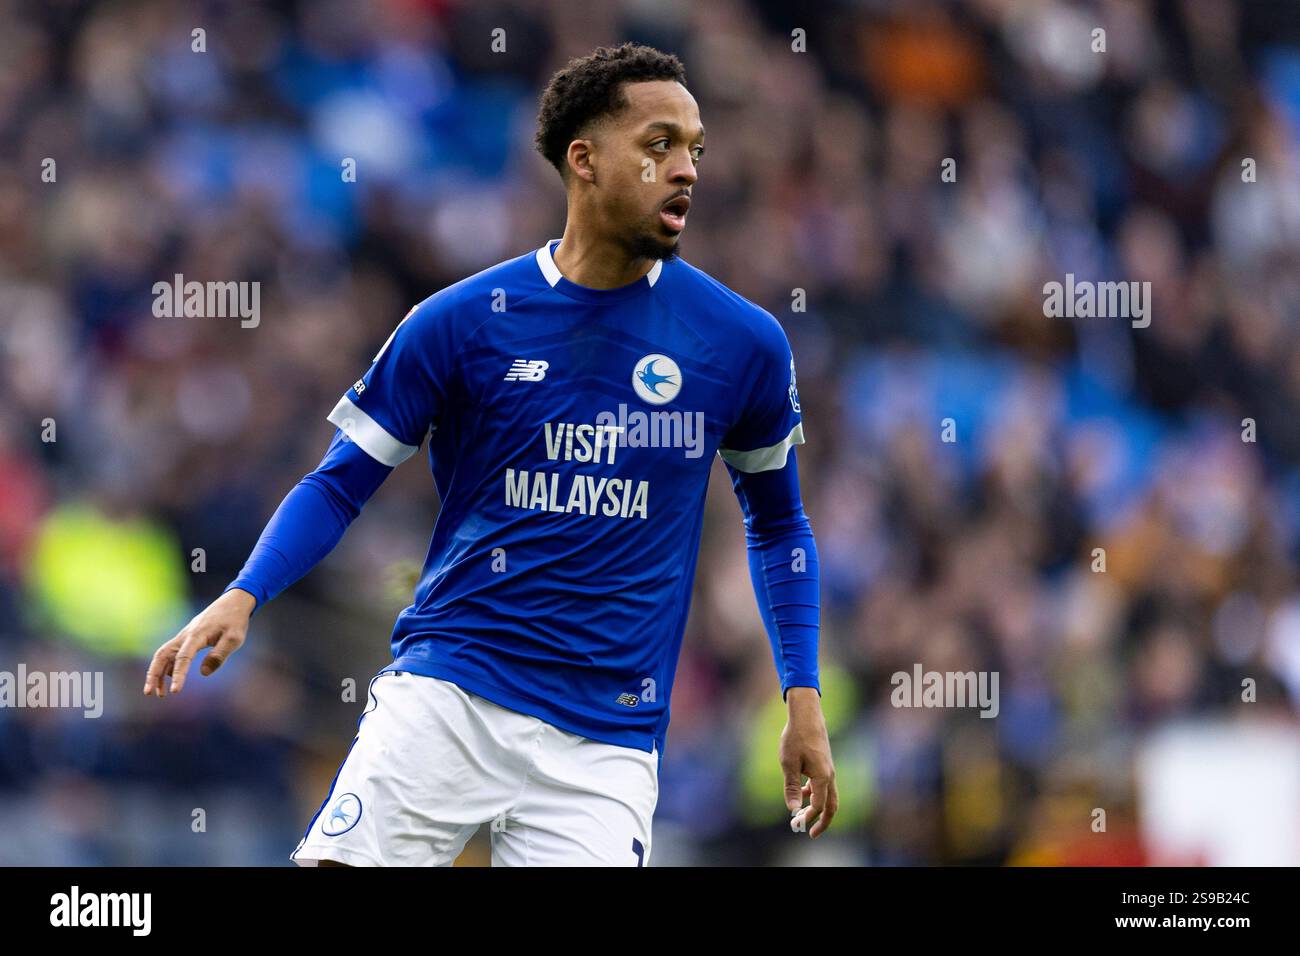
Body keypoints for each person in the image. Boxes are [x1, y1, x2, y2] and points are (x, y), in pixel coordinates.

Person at [142, 42, 836, 866]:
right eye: (659, 145)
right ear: (584, 160)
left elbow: (779, 527)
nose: (685, 169)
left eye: (695, 149)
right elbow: (340, 484)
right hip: (452, 690)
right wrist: (246, 593)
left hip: (607, 739)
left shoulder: (742, 343)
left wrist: (802, 695)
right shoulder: (462, 321)